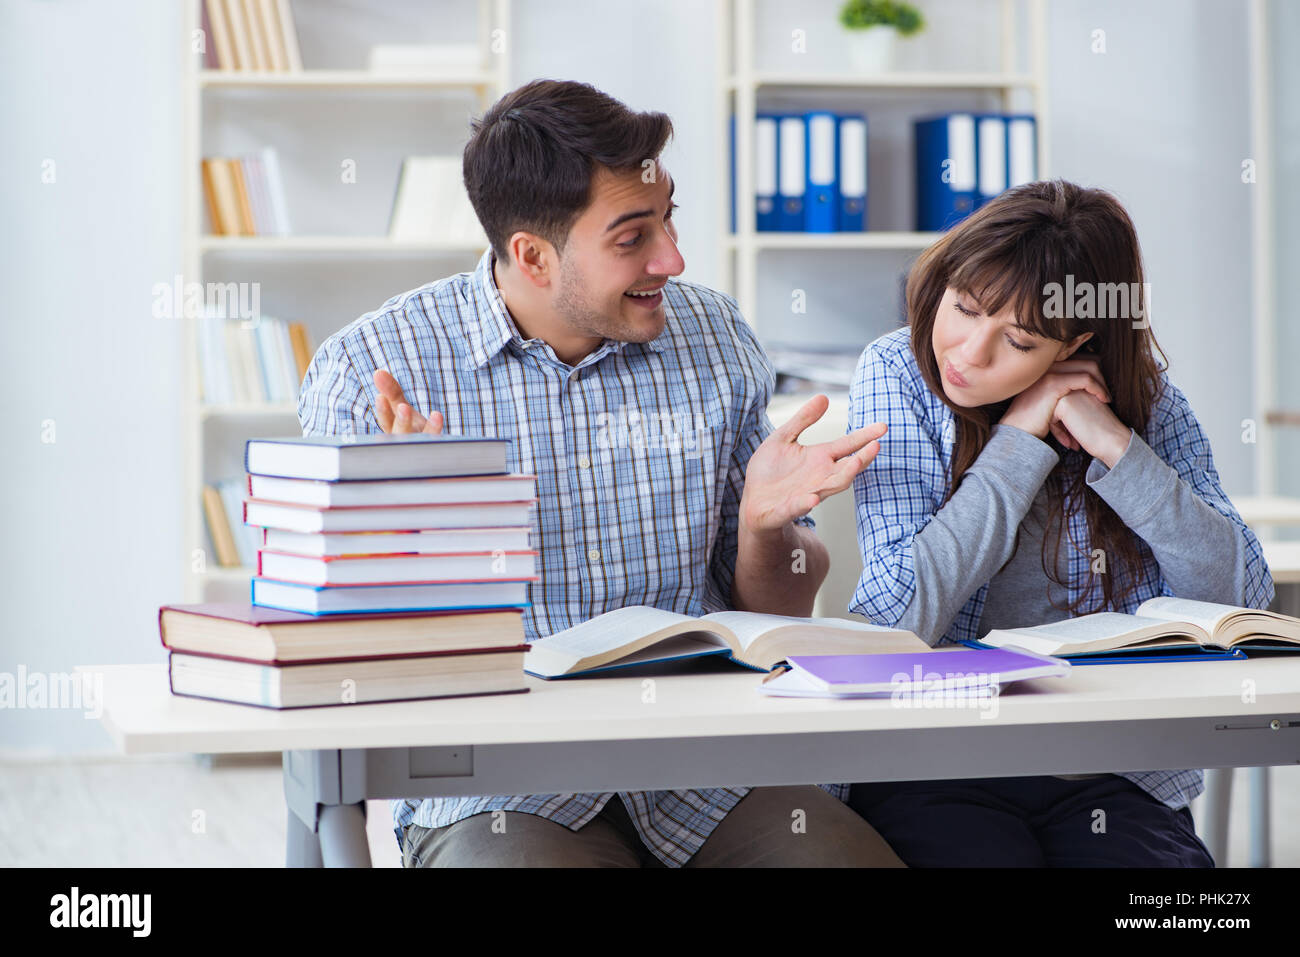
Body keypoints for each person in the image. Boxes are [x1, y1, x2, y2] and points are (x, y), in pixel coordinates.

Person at [297, 79, 903, 867]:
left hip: (708, 768)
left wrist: (765, 528)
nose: (673, 258)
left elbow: (774, 610)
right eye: (632, 237)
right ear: (532, 255)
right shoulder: (373, 371)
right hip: (504, 783)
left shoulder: (714, 336)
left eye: (669, 219)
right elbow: (347, 662)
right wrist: (414, 530)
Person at [844, 179, 1273, 867]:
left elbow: (1238, 597)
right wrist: (1018, 439)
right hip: (937, 758)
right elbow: (897, 615)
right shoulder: (899, 371)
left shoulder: (1145, 401)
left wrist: (1116, 447)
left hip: (1108, 768)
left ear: (1076, 339)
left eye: (1016, 340)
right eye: (964, 307)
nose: (967, 353)